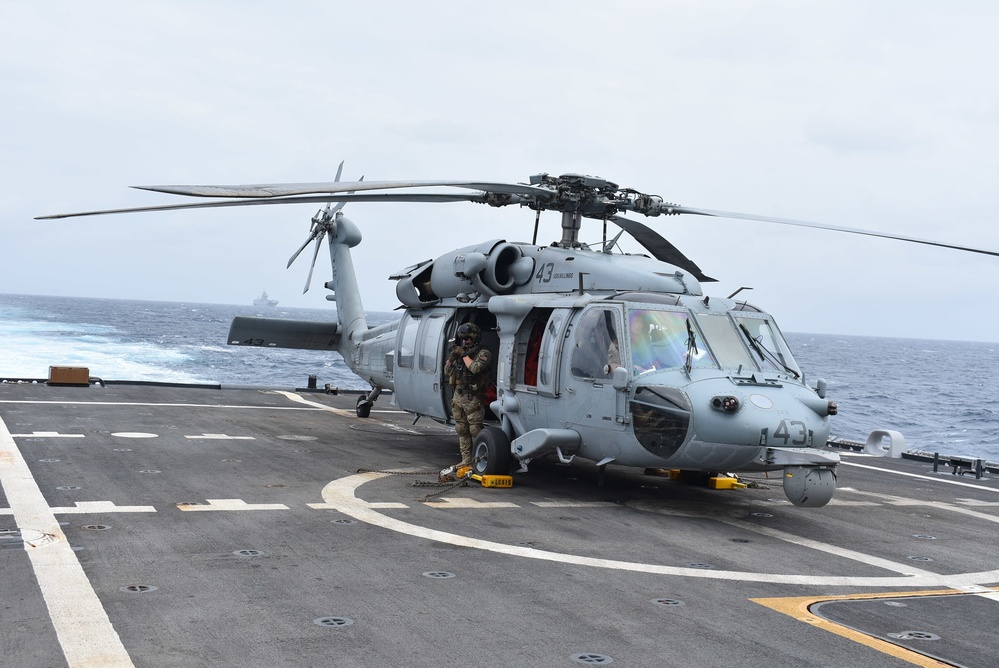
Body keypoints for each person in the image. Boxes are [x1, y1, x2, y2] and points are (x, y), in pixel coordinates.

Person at [444, 322, 492, 468]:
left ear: (475, 338)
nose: (466, 341)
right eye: (463, 339)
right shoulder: (461, 353)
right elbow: (447, 371)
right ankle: (466, 460)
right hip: (458, 396)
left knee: (475, 430)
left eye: (468, 338)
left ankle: (479, 460)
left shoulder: (483, 353)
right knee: (461, 429)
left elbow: (475, 368)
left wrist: (463, 355)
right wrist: (452, 358)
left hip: (473, 397)